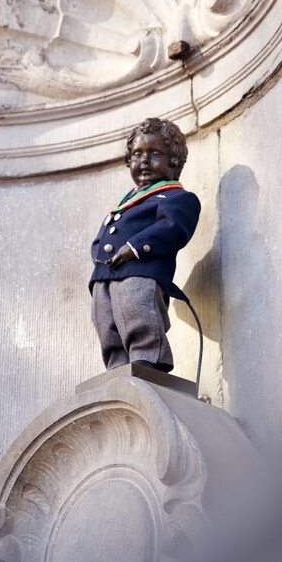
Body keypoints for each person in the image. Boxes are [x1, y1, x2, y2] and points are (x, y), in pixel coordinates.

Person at [89, 117, 201, 372]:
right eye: (137, 154)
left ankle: (149, 361)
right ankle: (117, 368)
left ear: (173, 160)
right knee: (107, 324)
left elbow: (172, 228)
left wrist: (136, 247)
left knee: (137, 315)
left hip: (140, 272)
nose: (144, 161)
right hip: (106, 275)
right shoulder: (127, 201)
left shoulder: (175, 197)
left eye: (155, 154)